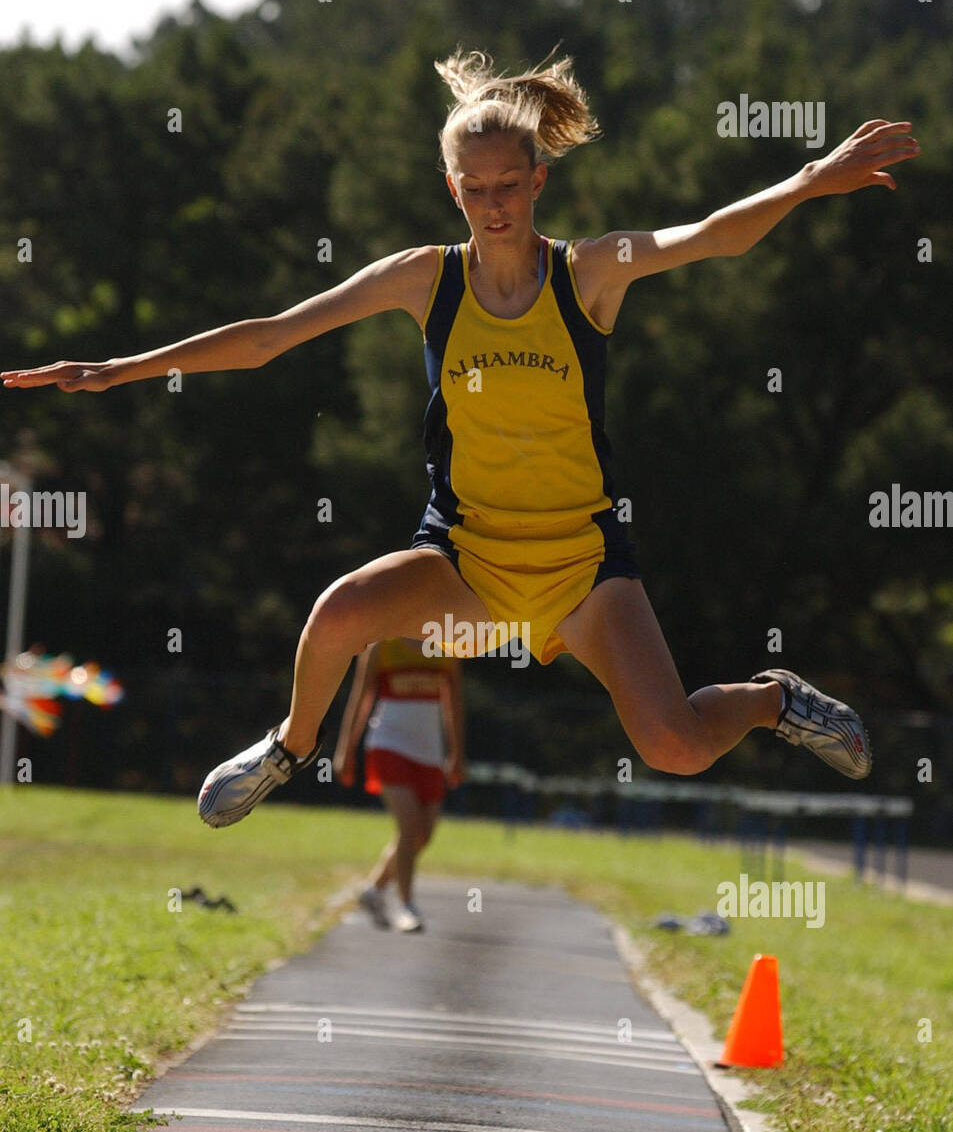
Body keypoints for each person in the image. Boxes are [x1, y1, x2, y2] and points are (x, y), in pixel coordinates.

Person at [4, 52, 918, 822]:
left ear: (538, 181)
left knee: (675, 748)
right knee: (338, 617)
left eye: (509, 186)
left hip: (584, 570)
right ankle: (287, 751)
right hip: (468, 563)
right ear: (450, 187)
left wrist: (806, 180)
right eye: (473, 189)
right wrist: (115, 369)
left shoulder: (588, 274)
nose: (492, 205)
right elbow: (270, 337)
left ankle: (772, 698)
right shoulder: (422, 281)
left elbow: (711, 237)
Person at [332, 636, 464, 934]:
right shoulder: (382, 643)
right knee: (409, 827)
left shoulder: (449, 642)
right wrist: (345, 751)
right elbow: (361, 697)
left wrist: (457, 753)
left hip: (430, 750)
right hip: (387, 743)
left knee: (423, 835)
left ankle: (374, 891)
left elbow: (453, 701)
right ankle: (407, 906)